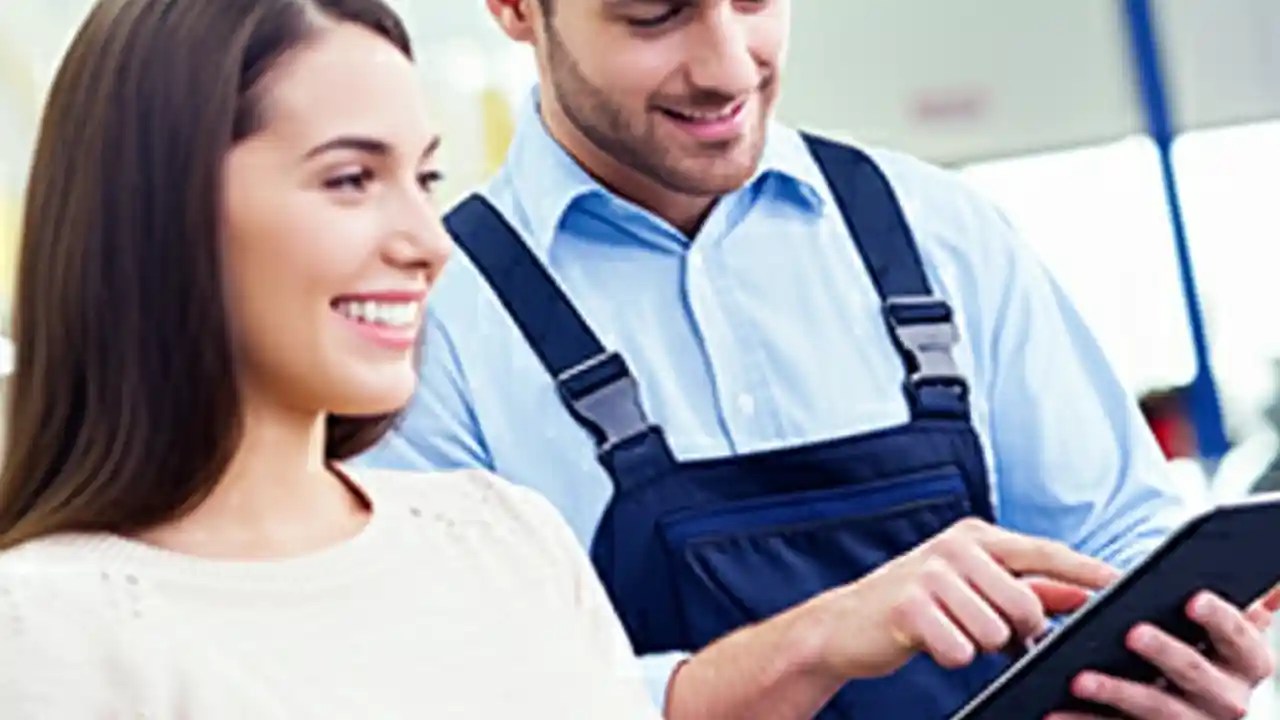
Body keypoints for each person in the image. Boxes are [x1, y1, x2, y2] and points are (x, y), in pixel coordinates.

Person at [361, 0, 1280, 718]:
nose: (727, 67)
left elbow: (1118, 537)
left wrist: (1175, 664)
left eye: (756, 2)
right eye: (654, 15)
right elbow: (454, 693)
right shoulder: (429, 321)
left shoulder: (943, 233)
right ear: (517, 8)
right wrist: (820, 639)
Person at [0, 0, 661, 717]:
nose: (430, 244)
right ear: (162, 204)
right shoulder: (47, 636)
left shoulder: (509, 538)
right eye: (350, 179)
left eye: (426, 180)